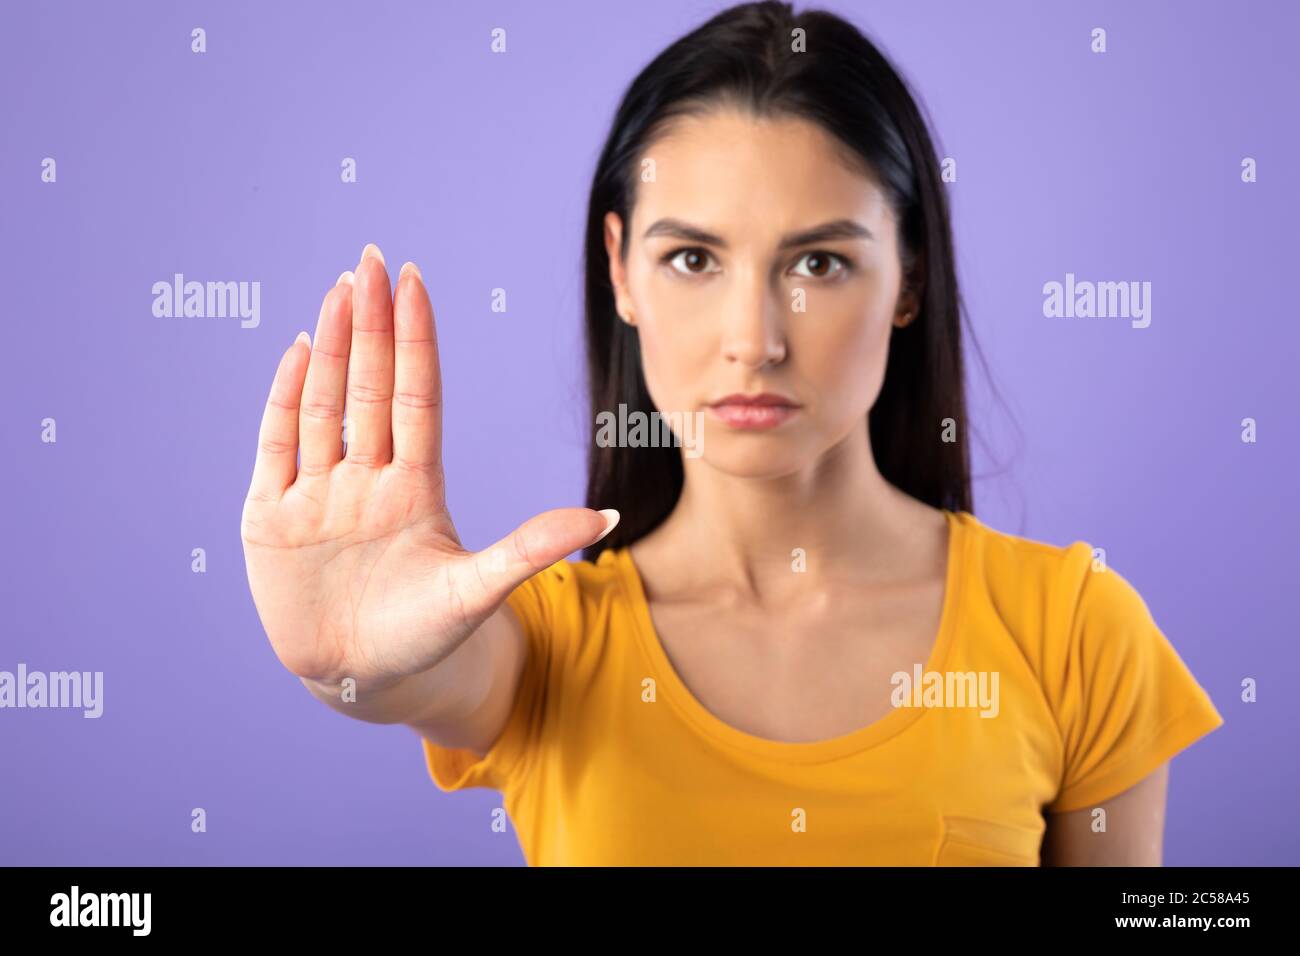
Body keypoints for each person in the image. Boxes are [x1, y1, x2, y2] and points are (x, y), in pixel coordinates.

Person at [239, 1, 1222, 865]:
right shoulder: (547, 641)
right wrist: (349, 659)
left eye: (821, 264)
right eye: (693, 257)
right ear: (620, 269)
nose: (753, 340)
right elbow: (423, 673)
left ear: (909, 274)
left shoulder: (1076, 631)